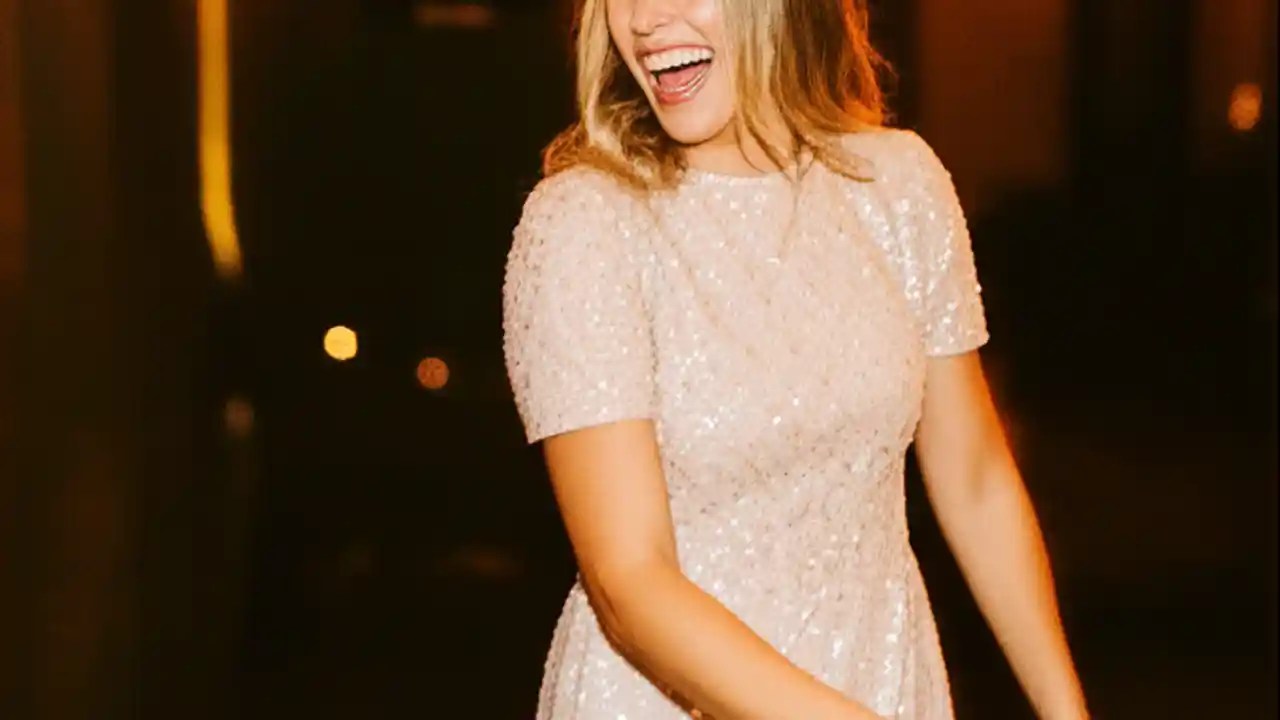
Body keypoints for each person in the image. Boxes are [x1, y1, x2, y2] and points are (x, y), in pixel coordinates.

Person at [501, 0, 1089, 717]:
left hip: (881, 672)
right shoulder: (584, 223)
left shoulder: (898, 187)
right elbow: (630, 582)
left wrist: (1066, 710)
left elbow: (975, 479)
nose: (647, 19)